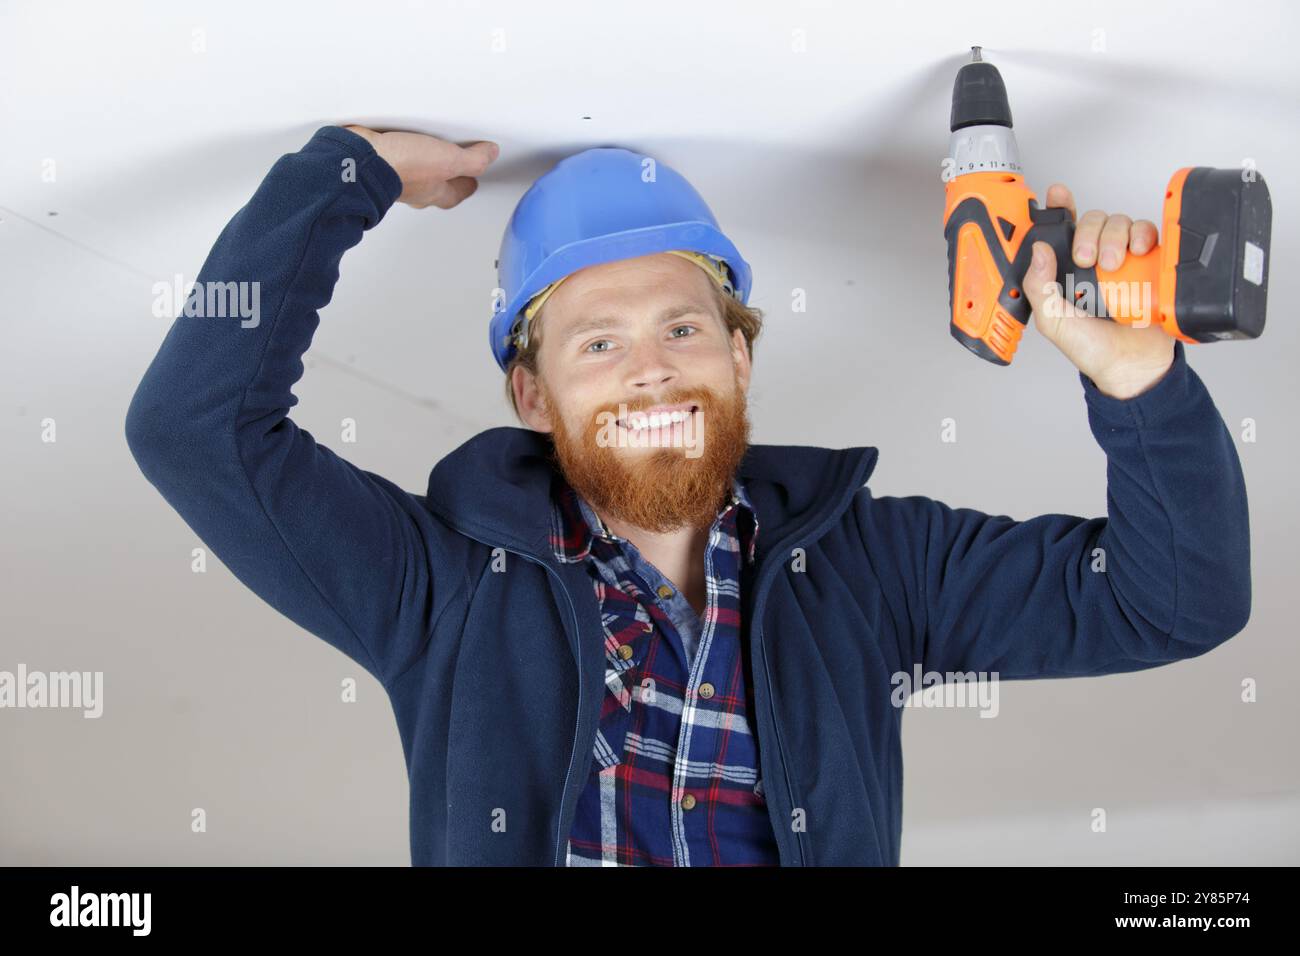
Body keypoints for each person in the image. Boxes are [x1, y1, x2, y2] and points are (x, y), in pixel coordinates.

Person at [124, 124, 1251, 866]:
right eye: (598, 342)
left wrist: (1134, 376)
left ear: (739, 361)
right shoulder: (445, 590)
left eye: (681, 328)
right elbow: (195, 427)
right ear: (532, 393)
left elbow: (1170, 600)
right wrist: (344, 174)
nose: (650, 368)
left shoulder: (874, 572)